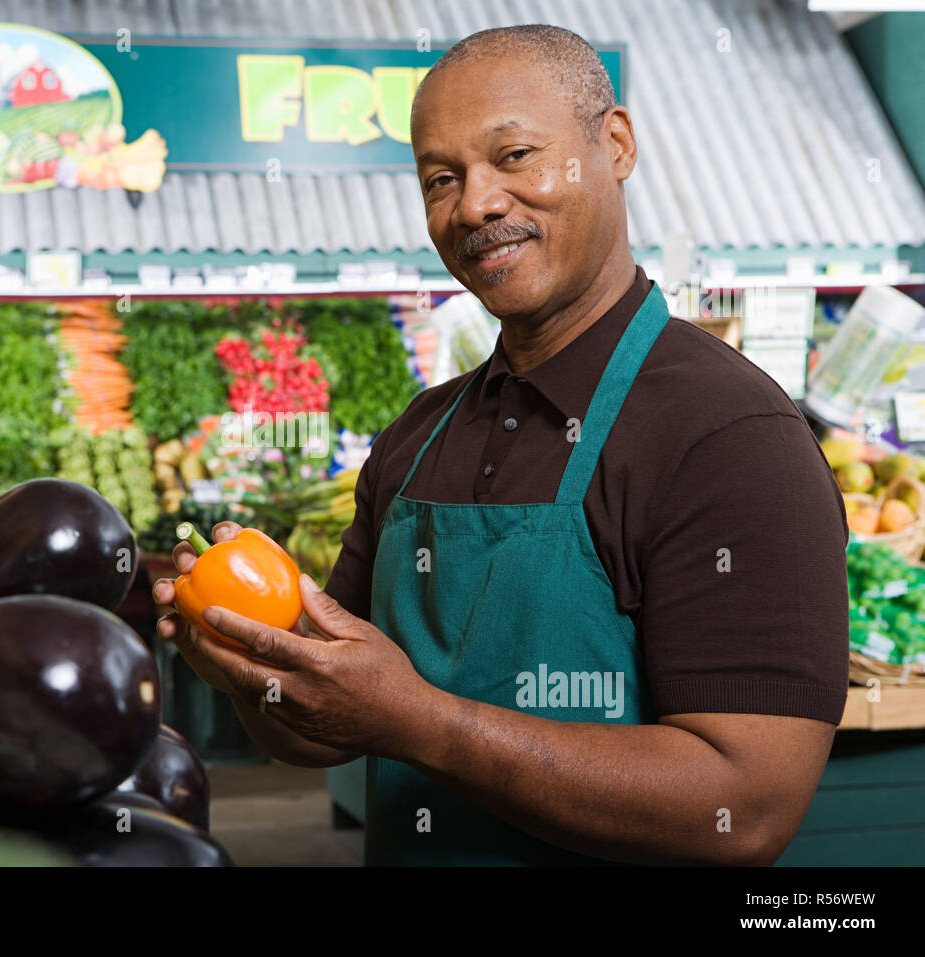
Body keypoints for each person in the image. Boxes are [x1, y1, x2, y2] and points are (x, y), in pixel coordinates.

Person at [154, 24, 849, 866]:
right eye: (441, 178)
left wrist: (420, 721)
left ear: (616, 144)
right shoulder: (418, 435)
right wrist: (246, 660)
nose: (475, 204)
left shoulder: (732, 439)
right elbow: (323, 733)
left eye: (514, 155)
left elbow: (746, 806)